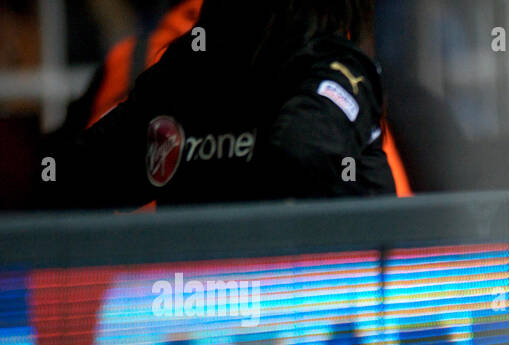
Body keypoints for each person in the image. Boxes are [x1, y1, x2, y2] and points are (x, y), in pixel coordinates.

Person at [52, 0, 401, 208]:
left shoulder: (333, 71)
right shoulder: (184, 73)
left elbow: (303, 149)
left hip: (323, 310)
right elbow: (76, 175)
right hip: (196, 307)